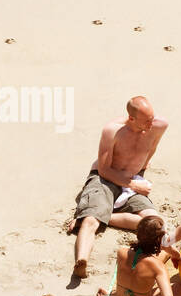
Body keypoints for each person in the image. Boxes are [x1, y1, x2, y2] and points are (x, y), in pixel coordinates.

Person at [67, 96, 168, 279]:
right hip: (105, 178)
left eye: (152, 118)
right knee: (92, 221)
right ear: (131, 119)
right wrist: (133, 184)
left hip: (132, 179)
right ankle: (81, 261)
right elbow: (105, 169)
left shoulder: (159, 125)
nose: (151, 124)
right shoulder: (112, 131)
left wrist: (139, 174)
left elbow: (151, 149)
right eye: (146, 121)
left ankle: (104, 215)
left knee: (155, 222)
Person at [93, 216, 176, 296]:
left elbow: (141, 260)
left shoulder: (122, 252)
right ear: (160, 239)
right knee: (178, 288)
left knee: (127, 288)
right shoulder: (158, 267)